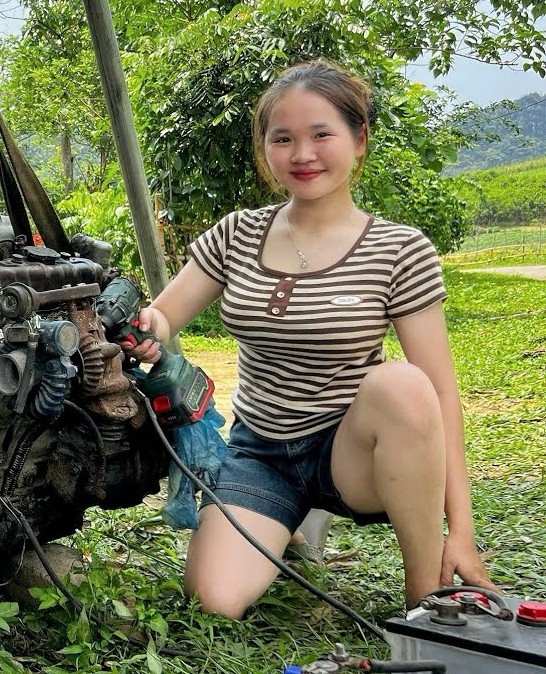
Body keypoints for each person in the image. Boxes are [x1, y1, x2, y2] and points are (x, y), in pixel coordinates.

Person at [121, 60, 495, 618]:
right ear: (265, 147)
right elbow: (165, 313)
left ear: (359, 138)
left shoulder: (399, 249)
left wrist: (460, 531)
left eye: (322, 134)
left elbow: (440, 395)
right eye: (284, 138)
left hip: (353, 456)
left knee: (404, 385)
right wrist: (149, 328)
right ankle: (287, 524)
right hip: (260, 451)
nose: (302, 154)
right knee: (214, 598)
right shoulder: (238, 232)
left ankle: (427, 592)